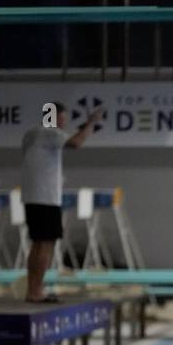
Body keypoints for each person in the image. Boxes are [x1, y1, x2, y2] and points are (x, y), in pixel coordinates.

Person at [21, 101, 105, 304]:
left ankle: (33, 289)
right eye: (61, 119)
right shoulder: (49, 132)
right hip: (45, 198)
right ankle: (36, 291)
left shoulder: (32, 133)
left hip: (34, 196)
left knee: (38, 243)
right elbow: (75, 143)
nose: (62, 124)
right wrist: (91, 124)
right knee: (46, 244)